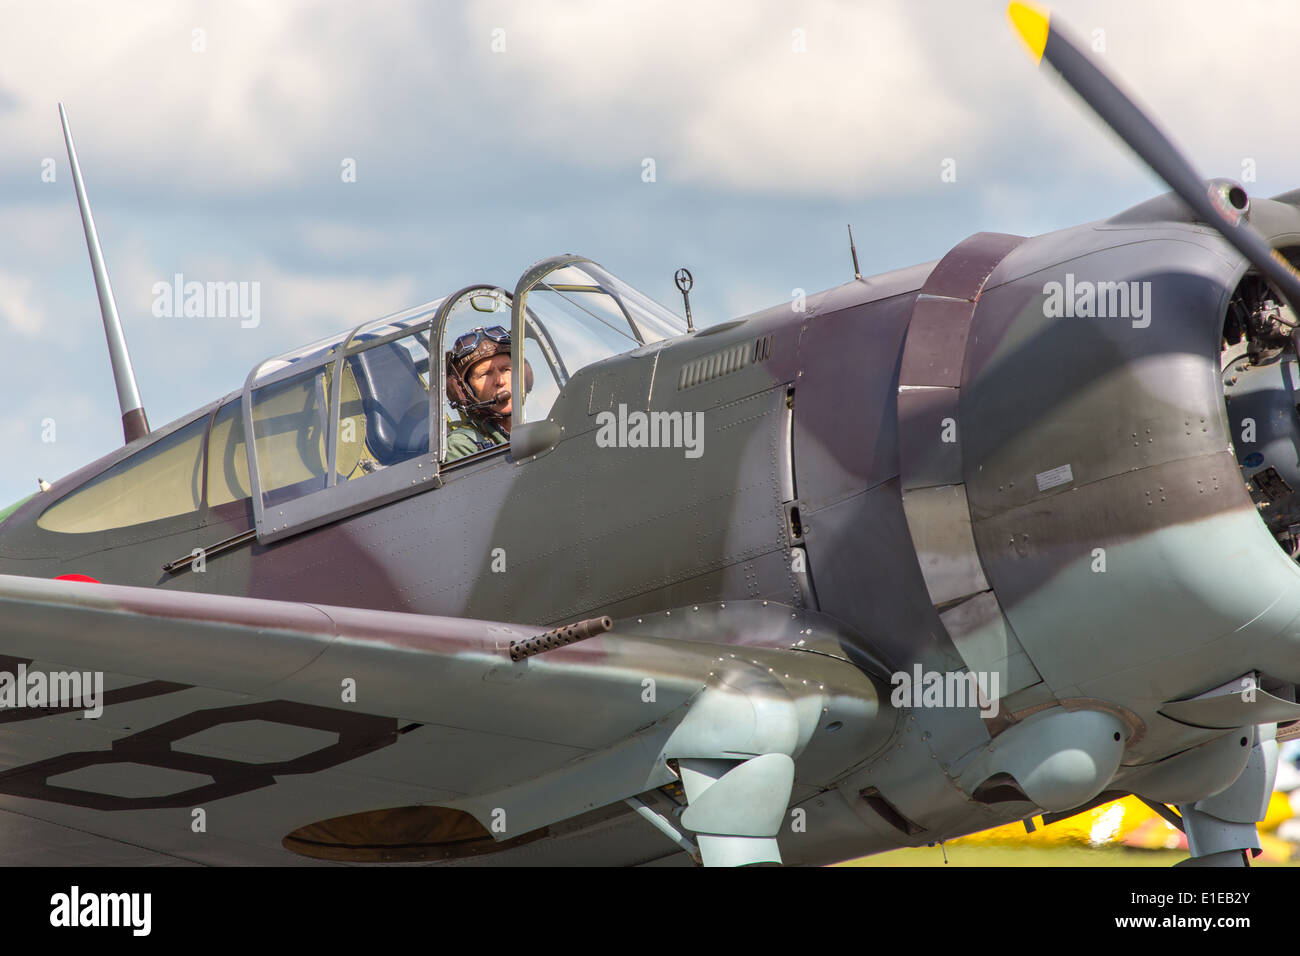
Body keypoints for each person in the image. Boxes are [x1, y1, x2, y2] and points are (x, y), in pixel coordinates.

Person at [444, 326, 514, 462]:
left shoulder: (533, 426)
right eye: (485, 374)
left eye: (506, 369)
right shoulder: (462, 445)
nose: (500, 381)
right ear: (465, 391)